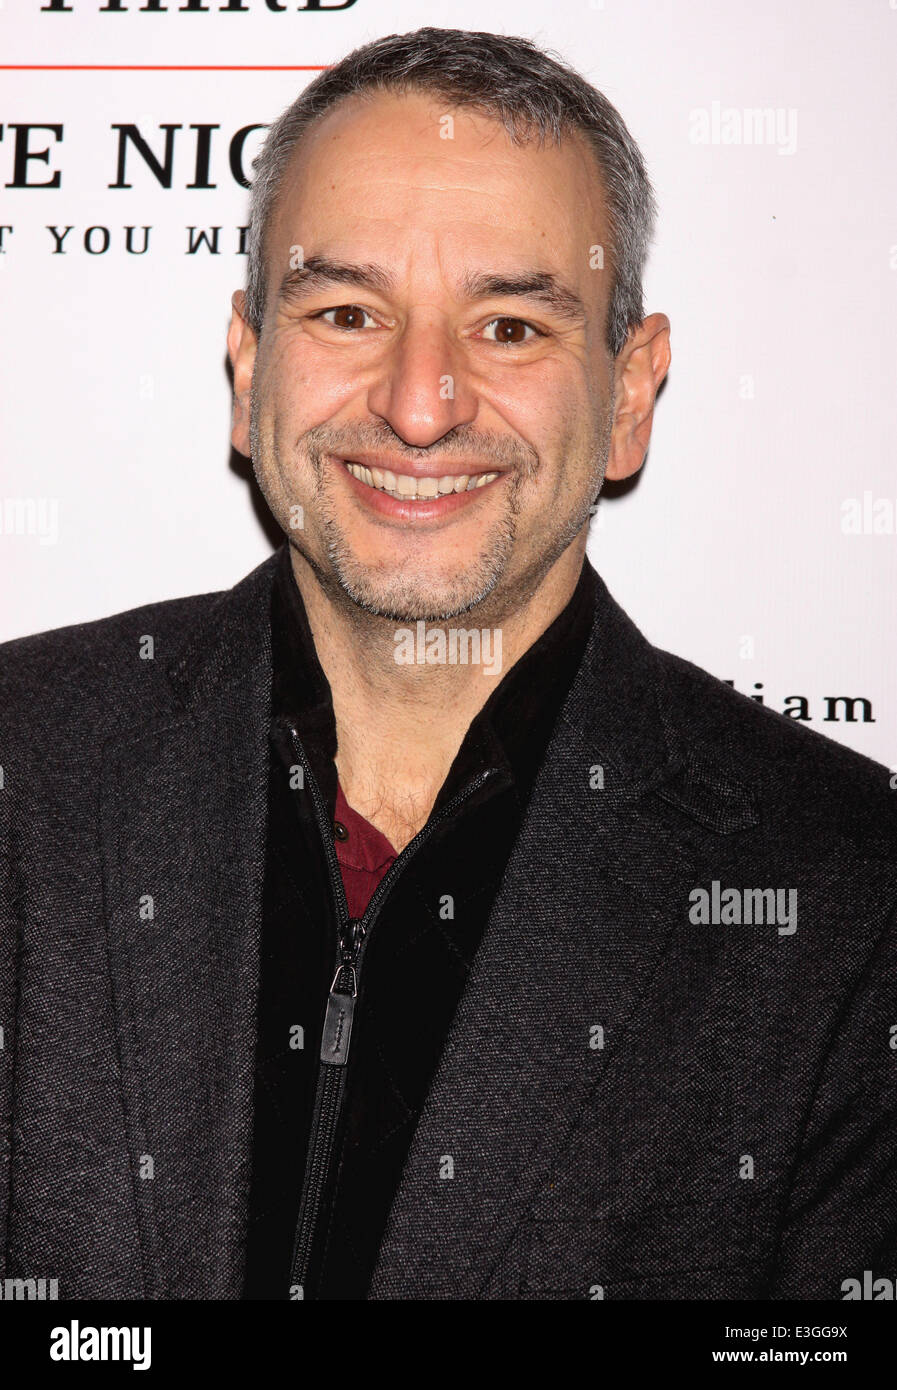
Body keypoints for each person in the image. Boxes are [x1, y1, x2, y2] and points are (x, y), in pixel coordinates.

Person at [1, 27, 895, 1302]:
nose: (421, 403)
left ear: (631, 393)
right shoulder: (21, 768)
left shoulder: (853, 896)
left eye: (513, 325)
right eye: (349, 312)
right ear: (250, 367)